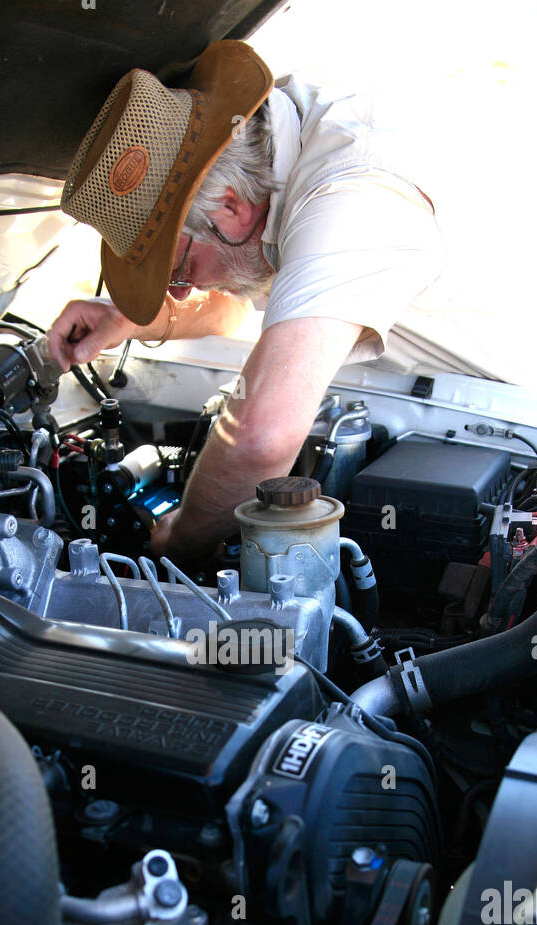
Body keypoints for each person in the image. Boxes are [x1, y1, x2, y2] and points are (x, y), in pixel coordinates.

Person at [48, 39, 444, 562]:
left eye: (180, 271)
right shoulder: (266, 151)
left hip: (481, 432)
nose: (183, 292)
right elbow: (238, 303)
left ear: (230, 207)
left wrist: (179, 543)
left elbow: (262, 436)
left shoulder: (350, 195)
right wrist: (130, 321)